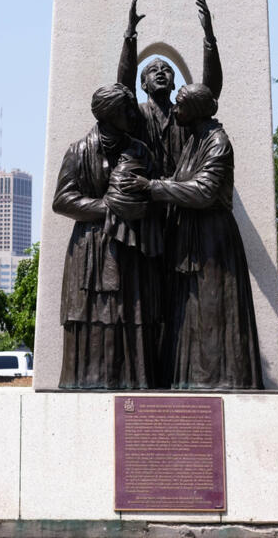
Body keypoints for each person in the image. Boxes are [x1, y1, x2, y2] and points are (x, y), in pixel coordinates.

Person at [118, 83, 262, 389]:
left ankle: (216, 381)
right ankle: (187, 381)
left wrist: (152, 187)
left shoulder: (217, 142)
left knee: (211, 312)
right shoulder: (195, 139)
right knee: (192, 315)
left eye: (181, 105)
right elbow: (181, 181)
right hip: (190, 240)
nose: (175, 110)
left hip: (212, 242)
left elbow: (204, 191)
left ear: (194, 110)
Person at [52, 83, 162, 389]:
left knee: (131, 313)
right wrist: (108, 207)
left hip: (130, 247)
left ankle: (131, 382)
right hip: (91, 247)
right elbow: (62, 200)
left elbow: (154, 197)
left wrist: (138, 205)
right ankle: (88, 381)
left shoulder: (139, 151)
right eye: (127, 111)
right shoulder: (78, 151)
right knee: (91, 314)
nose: (133, 116)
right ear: (110, 114)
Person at [116, 0, 223, 179]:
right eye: (153, 70)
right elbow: (124, 91)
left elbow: (208, 94)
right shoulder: (139, 114)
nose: (160, 72)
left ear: (174, 84)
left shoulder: (185, 115)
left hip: (181, 193)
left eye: (166, 69)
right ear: (143, 85)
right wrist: (130, 35)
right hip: (145, 192)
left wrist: (209, 38)